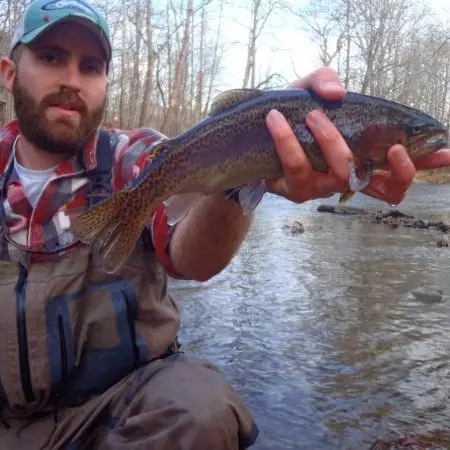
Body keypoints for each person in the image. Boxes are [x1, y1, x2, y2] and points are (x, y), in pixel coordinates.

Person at [0, 1, 449, 449]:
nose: (72, 80)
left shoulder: (133, 158)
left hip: (120, 415)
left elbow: (192, 259)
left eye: (91, 66)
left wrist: (245, 172)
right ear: (8, 72)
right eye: (52, 57)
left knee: (202, 404)